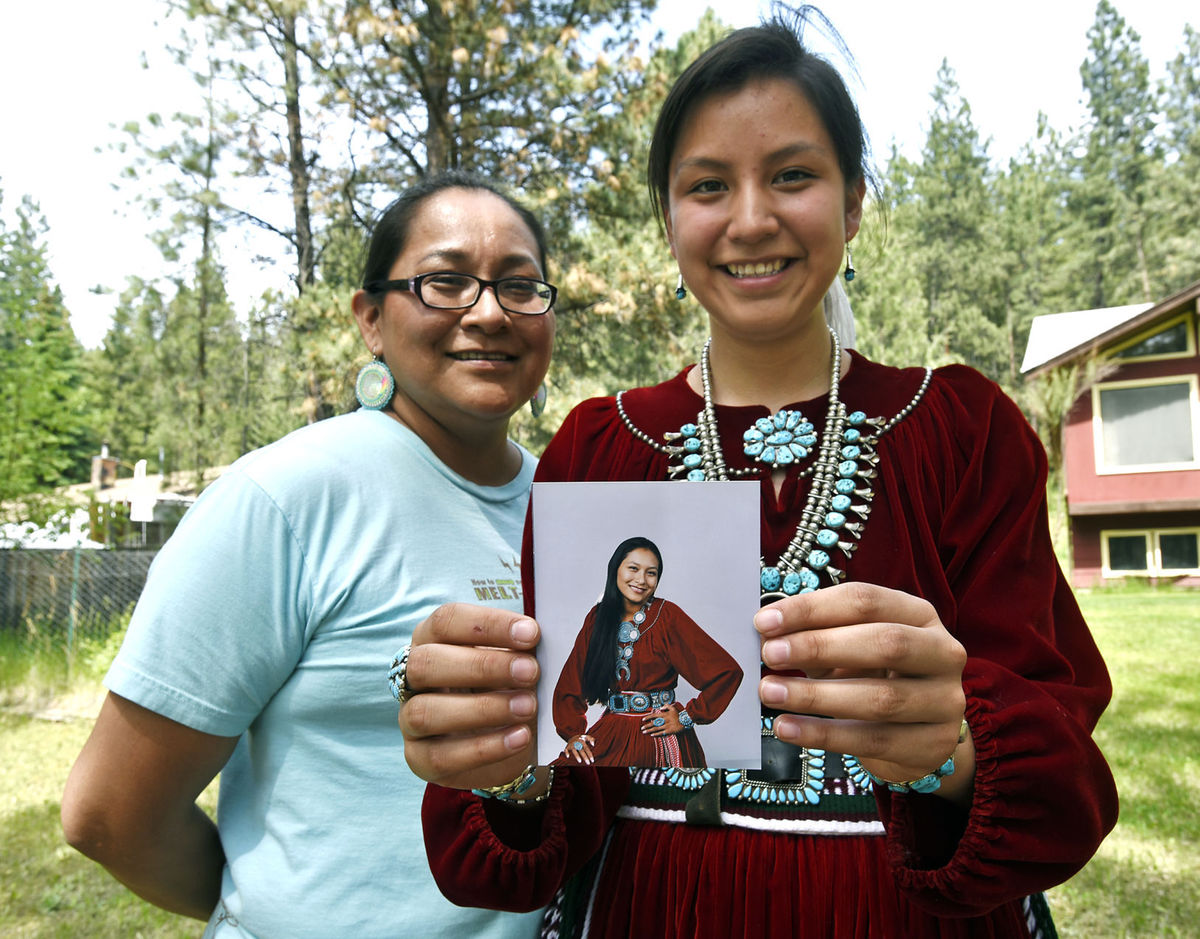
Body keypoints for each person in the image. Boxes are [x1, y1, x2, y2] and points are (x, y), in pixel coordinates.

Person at [396, 9, 1118, 938]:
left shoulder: (960, 431)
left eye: (792, 175)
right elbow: (562, 777)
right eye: (707, 185)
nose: (750, 219)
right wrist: (500, 756)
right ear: (668, 219)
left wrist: (956, 746)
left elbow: (1061, 767)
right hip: (650, 910)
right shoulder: (598, 446)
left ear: (854, 202)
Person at [60, 170, 556, 938]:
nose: (489, 311)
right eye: (446, 282)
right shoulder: (286, 498)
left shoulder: (568, 506)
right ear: (370, 319)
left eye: (520, 287)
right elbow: (109, 813)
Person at [553, 536, 743, 767]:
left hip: (658, 735)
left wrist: (687, 717)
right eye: (633, 568)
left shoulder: (667, 616)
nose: (641, 580)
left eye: (651, 573)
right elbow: (571, 680)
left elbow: (727, 672)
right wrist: (573, 733)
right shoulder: (598, 618)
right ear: (615, 570)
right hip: (612, 730)